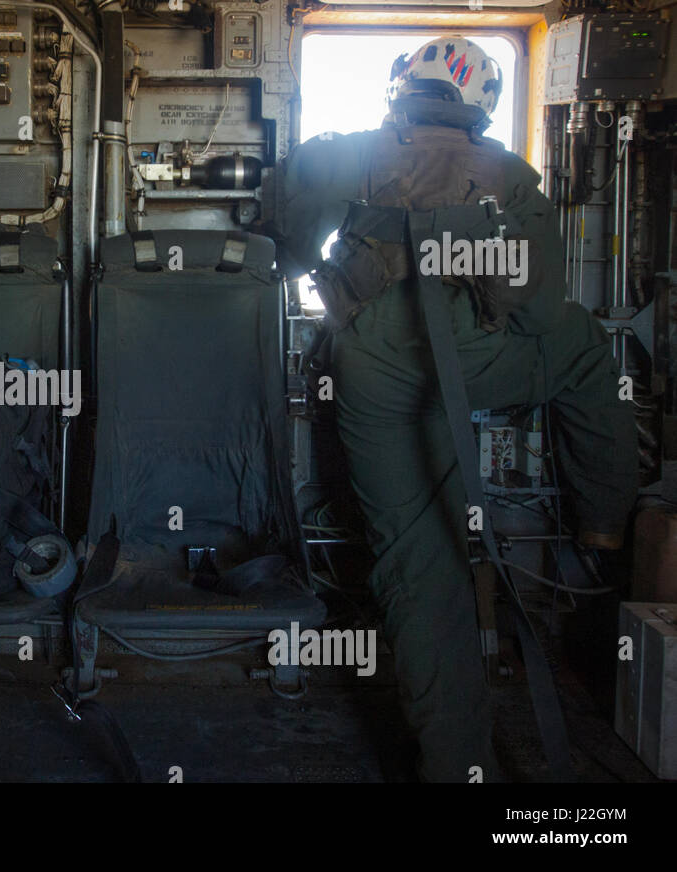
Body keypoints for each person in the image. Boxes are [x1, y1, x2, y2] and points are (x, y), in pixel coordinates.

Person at [275, 36, 637, 781]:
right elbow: (535, 308)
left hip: (374, 371)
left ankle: (454, 769)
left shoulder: (346, 155)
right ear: (481, 106)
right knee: (579, 345)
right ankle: (605, 521)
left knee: (420, 567)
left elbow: (285, 233)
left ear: (403, 91)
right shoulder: (510, 177)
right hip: (476, 367)